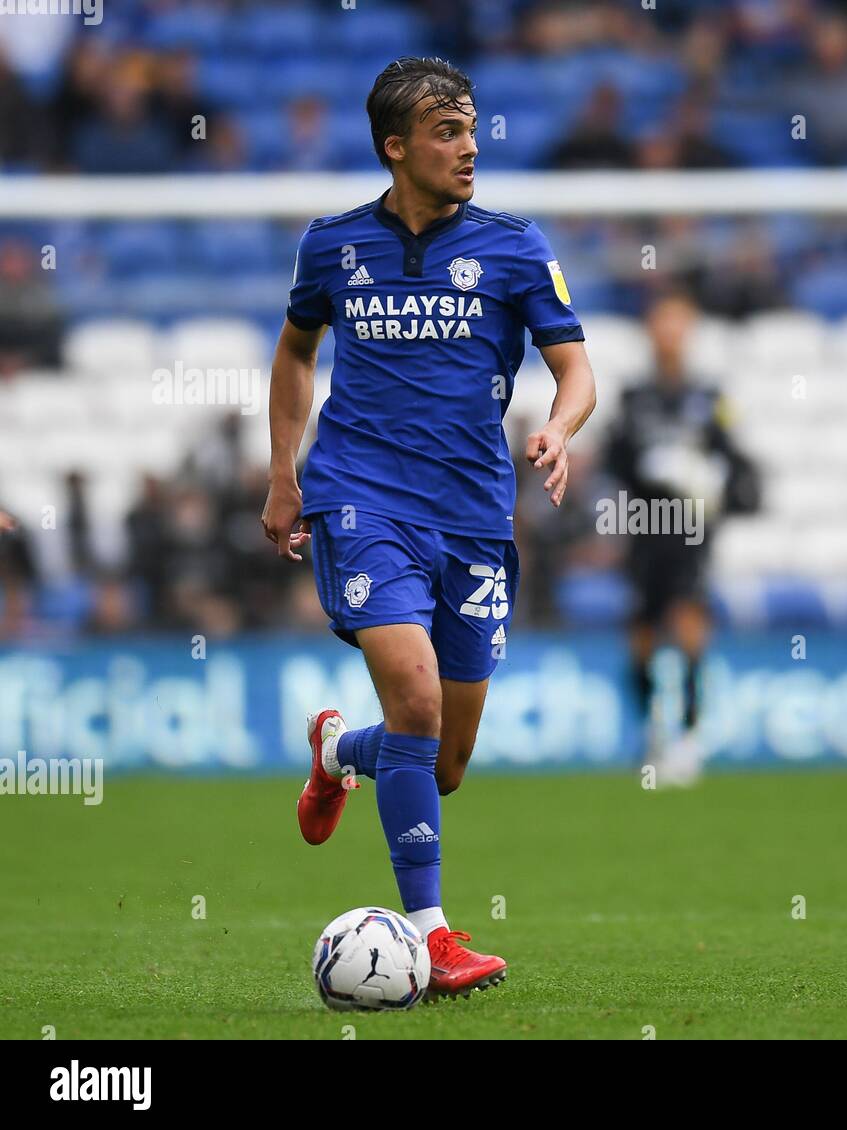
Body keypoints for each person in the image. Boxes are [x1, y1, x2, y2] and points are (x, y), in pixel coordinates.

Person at [260, 57, 597, 998]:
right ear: (394, 147)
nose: (469, 148)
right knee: (413, 702)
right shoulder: (332, 247)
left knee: (441, 760)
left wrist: (559, 429)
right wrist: (284, 475)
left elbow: (578, 371)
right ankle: (433, 935)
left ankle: (336, 753)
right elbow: (294, 352)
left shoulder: (515, 248)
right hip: (360, 499)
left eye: (473, 129)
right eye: (447, 133)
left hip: (475, 517)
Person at [604, 292, 758, 785]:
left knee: (690, 623)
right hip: (647, 530)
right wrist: (648, 470)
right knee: (643, 635)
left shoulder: (710, 398)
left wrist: (714, 482)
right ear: (650, 332)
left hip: (690, 531)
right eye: (661, 323)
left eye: (677, 323)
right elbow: (613, 461)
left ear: (689, 331)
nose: (669, 333)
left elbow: (735, 461)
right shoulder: (634, 398)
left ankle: (690, 737)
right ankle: (651, 734)